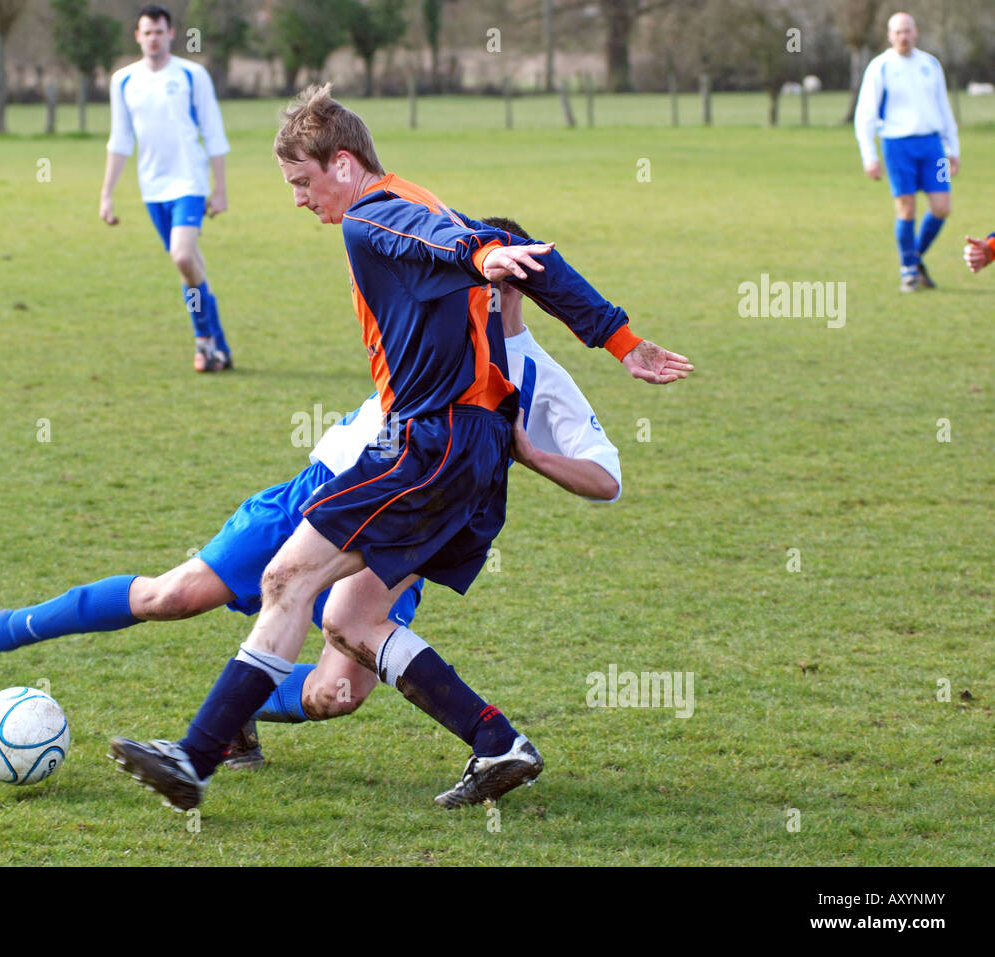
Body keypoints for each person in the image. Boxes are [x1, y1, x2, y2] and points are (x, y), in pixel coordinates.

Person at [107, 85, 692, 813]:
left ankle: (195, 758)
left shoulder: (374, 216)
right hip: (467, 454)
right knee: (348, 620)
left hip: (428, 443)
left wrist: (477, 259)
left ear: (343, 165)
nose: (298, 200)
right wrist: (620, 339)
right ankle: (498, 743)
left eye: (301, 182)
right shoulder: (424, 201)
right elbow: (531, 257)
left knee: (289, 576)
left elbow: (427, 244)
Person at [0, 226, 623, 775]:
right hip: (322, 492)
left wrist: (533, 453)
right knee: (172, 595)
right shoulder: (429, 317)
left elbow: (607, 477)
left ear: (517, 280)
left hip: (398, 534)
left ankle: (237, 716)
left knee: (336, 693)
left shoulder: (542, 377)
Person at [100, 4, 234, 371]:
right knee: (190, 270)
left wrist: (219, 189)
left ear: (171, 34)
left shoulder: (193, 75)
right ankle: (218, 348)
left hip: (189, 182)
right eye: (147, 32)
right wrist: (107, 194)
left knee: (182, 257)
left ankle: (203, 339)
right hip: (152, 189)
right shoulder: (123, 81)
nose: (153, 38)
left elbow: (214, 133)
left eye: (160, 31)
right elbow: (120, 139)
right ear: (137, 36)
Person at [854, 11, 960, 293]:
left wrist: (953, 148)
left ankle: (914, 258)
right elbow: (865, 114)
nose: (903, 36)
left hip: (934, 146)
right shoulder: (880, 67)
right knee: (906, 208)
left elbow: (943, 107)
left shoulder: (930, 64)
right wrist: (870, 156)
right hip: (897, 145)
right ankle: (909, 272)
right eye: (898, 32)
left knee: (942, 207)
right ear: (890, 36)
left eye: (907, 30)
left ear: (916, 32)